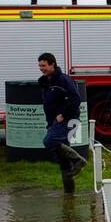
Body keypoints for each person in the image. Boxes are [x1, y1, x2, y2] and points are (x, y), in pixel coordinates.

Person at [38, 52, 86, 193]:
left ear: (53, 64)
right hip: (53, 122)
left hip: (67, 120)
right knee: (63, 159)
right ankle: (69, 194)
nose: (41, 68)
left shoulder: (64, 80)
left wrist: (63, 114)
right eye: (40, 66)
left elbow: (76, 99)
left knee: (48, 141)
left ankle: (79, 160)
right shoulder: (46, 81)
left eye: (44, 65)